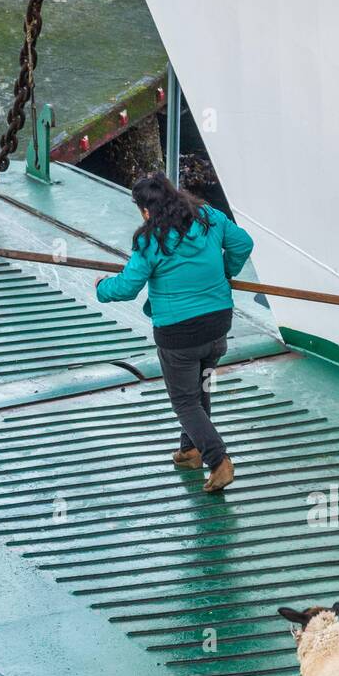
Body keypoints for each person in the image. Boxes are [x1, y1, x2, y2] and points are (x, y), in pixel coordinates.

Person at [95, 172, 254, 492]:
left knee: (184, 401)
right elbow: (243, 243)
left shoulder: (149, 239)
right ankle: (190, 450)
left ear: (145, 210)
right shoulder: (209, 216)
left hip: (178, 334)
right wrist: (226, 271)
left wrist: (101, 287)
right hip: (218, 324)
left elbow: (126, 287)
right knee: (199, 391)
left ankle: (219, 460)